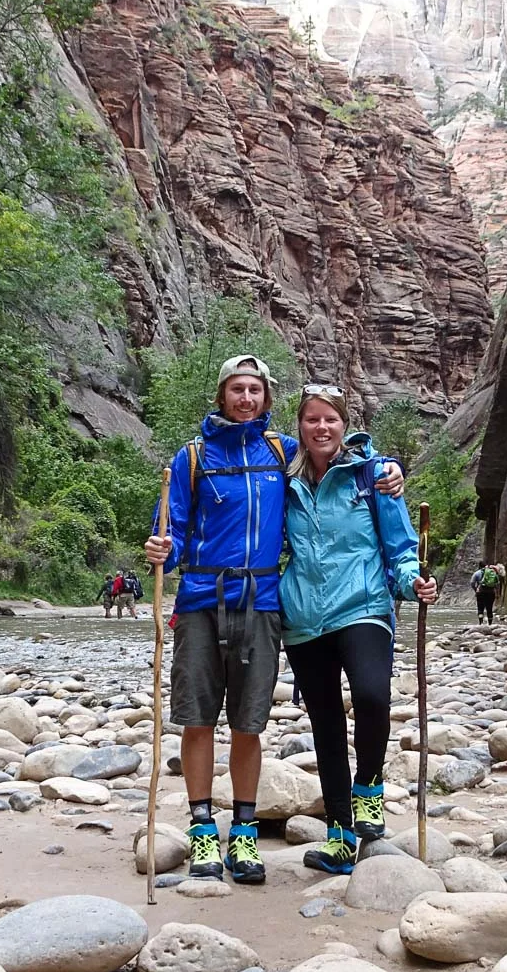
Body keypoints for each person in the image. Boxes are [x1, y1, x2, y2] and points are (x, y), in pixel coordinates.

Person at [144, 357, 402, 886]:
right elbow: (173, 536)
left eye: (255, 390)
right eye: (236, 389)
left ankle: (243, 832)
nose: (246, 398)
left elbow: (342, 453)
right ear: (222, 396)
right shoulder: (192, 458)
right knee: (197, 719)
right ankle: (200, 830)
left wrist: (387, 468)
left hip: (262, 600)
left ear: (266, 397)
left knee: (249, 721)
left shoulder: (282, 451)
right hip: (200, 598)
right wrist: (162, 550)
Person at [277, 386, 436, 874]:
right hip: (304, 616)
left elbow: (401, 545)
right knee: (324, 724)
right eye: (311, 420)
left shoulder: (371, 478)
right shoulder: (283, 480)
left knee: (371, 696)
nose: (321, 428)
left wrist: (413, 582)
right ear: (299, 428)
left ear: (345, 426)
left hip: (364, 604)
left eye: (330, 420)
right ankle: (340, 836)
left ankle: (368, 786)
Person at [471, 560, 500, 625]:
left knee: (480, 608)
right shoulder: (493, 572)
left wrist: (476, 590)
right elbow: (497, 583)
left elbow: (472, 583)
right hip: (491, 592)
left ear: (479, 566)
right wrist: (497, 593)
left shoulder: (477, 573)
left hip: (481, 592)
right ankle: (490, 624)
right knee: (489, 609)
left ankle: (480, 623)